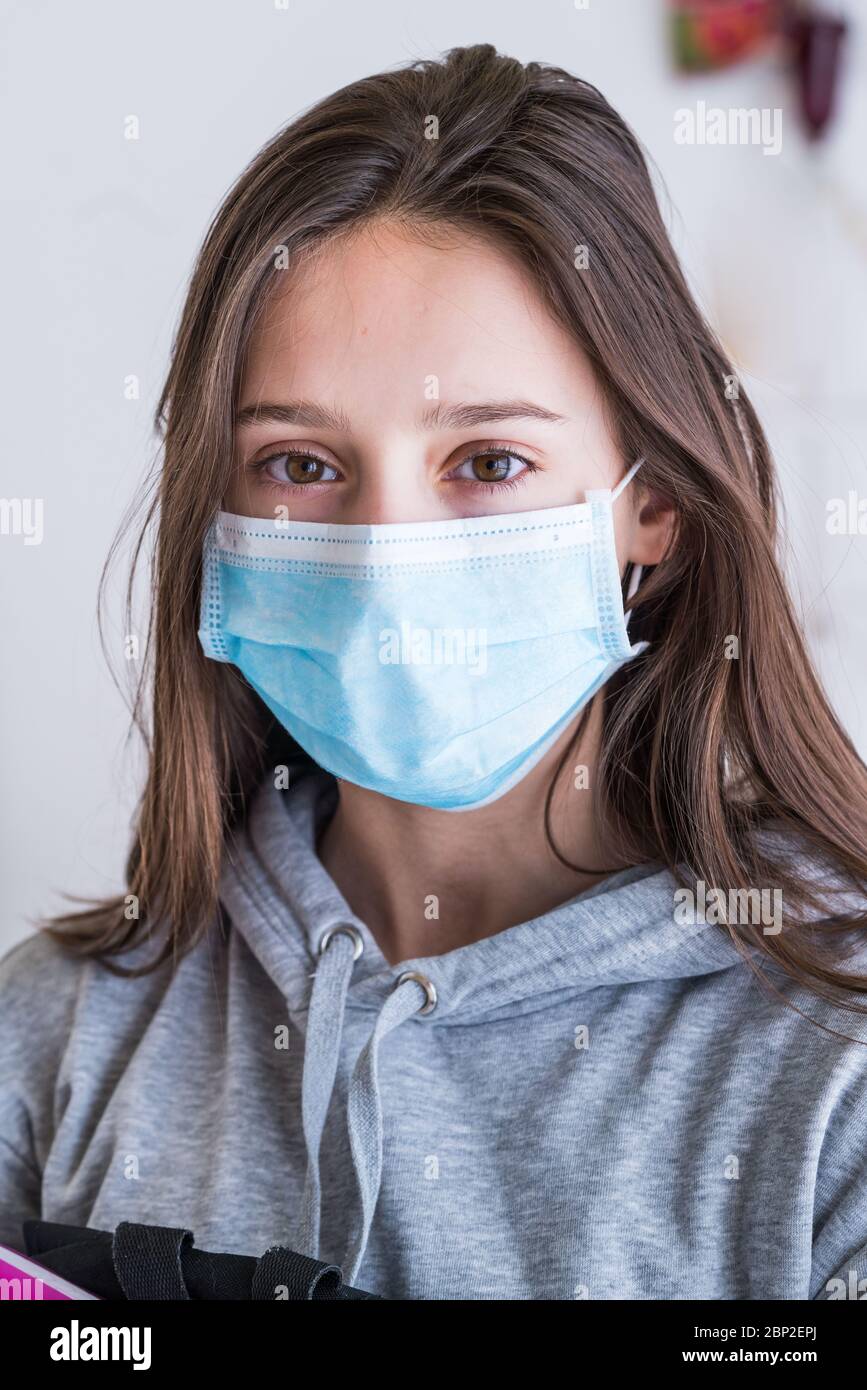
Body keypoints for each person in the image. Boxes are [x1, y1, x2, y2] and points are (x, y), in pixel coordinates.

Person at [2, 44, 867, 1301]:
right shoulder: (52, 1039)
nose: (386, 560)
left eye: (489, 462)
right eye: (300, 464)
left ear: (656, 510)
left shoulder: (834, 1074)